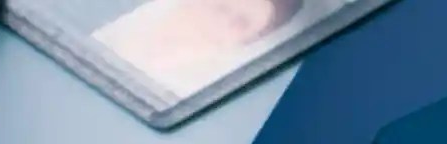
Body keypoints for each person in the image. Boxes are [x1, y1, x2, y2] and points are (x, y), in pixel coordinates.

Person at [97, 0, 306, 96]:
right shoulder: (103, 19)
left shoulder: (185, 98)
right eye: (221, 8)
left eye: (240, 23)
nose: (221, 25)